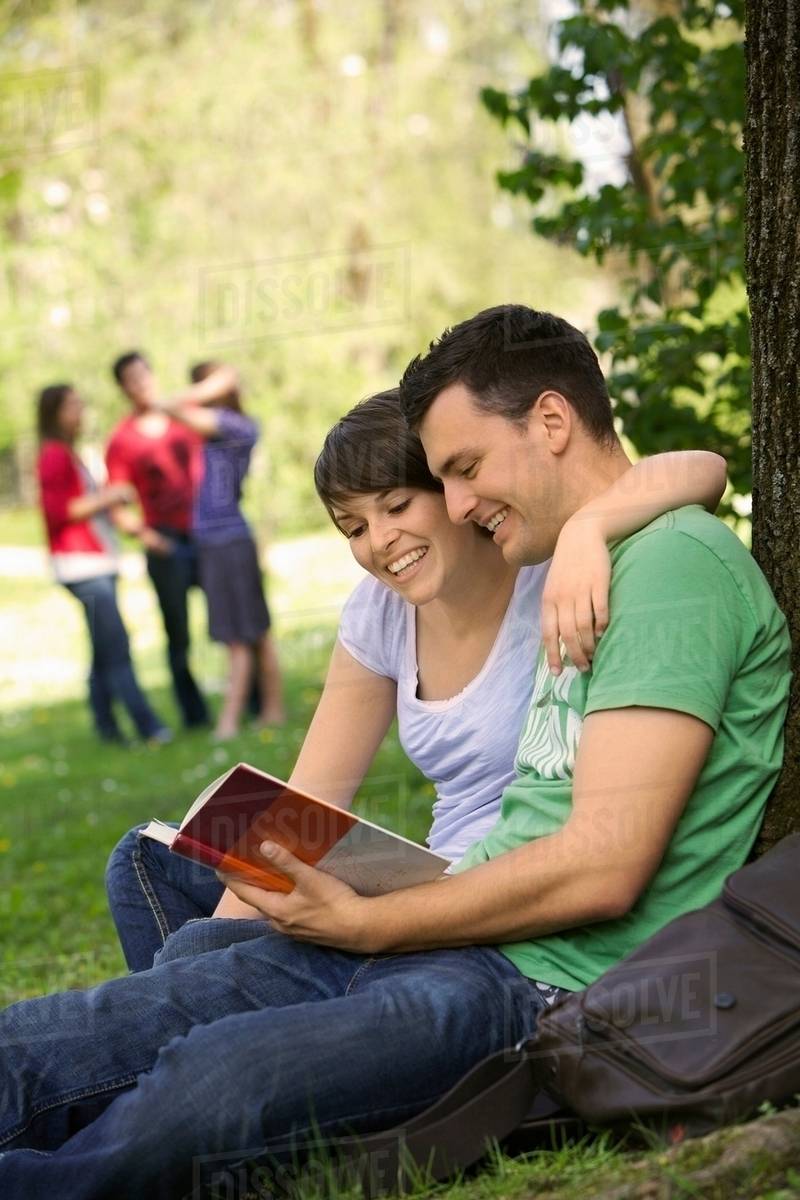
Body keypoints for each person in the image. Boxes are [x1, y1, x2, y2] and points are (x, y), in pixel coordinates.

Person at [0, 312, 789, 1200]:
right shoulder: (594, 552)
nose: (455, 506)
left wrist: (370, 923)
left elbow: (603, 868)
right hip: (447, 925)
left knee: (211, 1082)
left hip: (527, 984)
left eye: (461, 470)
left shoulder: (675, 567)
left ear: (554, 424)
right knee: (86, 1030)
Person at [107, 389, 727, 971]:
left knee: (203, 952)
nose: (380, 542)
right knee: (142, 860)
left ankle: (188, 1003)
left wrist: (589, 531)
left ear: (455, 495)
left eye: (397, 506)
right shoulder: (380, 610)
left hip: (488, 897)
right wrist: (241, 921)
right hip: (418, 876)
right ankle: (190, 999)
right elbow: (310, 800)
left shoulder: (542, 561)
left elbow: (704, 468)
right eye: (353, 527)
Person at [153, 361, 285, 739]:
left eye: (208, 388)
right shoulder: (217, 431)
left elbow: (169, 406)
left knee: (240, 634)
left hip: (227, 541)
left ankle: (228, 723)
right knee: (252, 631)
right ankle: (272, 711)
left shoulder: (237, 426)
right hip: (218, 541)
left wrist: (212, 386)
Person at [35, 383, 169, 745]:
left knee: (102, 648)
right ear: (55, 412)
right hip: (82, 567)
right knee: (117, 646)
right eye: (73, 406)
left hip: (95, 563)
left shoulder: (68, 452)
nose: (80, 412)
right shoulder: (53, 455)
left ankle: (106, 727)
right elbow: (60, 510)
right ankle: (150, 727)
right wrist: (111, 495)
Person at [106, 351, 210, 729]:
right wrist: (150, 539)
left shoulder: (181, 416)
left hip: (206, 530)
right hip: (166, 542)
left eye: (144, 375)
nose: (141, 383)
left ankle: (253, 700)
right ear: (123, 388)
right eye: (131, 379)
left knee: (233, 621)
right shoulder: (121, 440)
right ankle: (195, 716)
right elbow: (117, 504)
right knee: (178, 635)